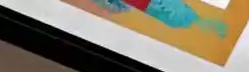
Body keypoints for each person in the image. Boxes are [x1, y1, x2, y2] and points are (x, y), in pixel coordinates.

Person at [87, 0, 229, 37]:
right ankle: (207, 25)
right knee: (181, 17)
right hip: (150, 7)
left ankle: (208, 25)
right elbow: (110, 6)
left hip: (155, 4)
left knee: (182, 16)